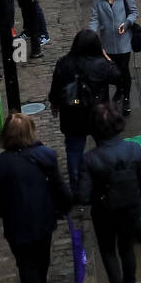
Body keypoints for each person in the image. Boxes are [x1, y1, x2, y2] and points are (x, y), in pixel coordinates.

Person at [0, 113, 72, 283]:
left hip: (16, 223)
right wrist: (66, 204)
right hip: (43, 217)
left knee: (25, 263)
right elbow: (59, 186)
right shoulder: (46, 155)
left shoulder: (0, 163)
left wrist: (2, 212)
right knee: (42, 256)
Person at [76, 103, 141, 283]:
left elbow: (82, 195)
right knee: (127, 249)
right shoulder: (134, 149)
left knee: (108, 251)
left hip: (105, 212)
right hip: (130, 208)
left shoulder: (89, 159)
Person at [48, 29, 121, 189]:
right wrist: (107, 57)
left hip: (72, 114)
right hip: (97, 113)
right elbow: (116, 76)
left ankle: (77, 183)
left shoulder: (64, 63)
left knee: (74, 150)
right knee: (105, 145)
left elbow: (56, 88)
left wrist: (54, 104)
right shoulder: (101, 65)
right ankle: (106, 176)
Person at [90, 0, 139, 116]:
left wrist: (127, 23)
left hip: (123, 42)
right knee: (113, 72)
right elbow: (94, 19)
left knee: (123, 70)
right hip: (108, 43)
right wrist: (91, 35)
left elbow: (134, 13)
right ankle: (120, 88)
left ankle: (126, 98)